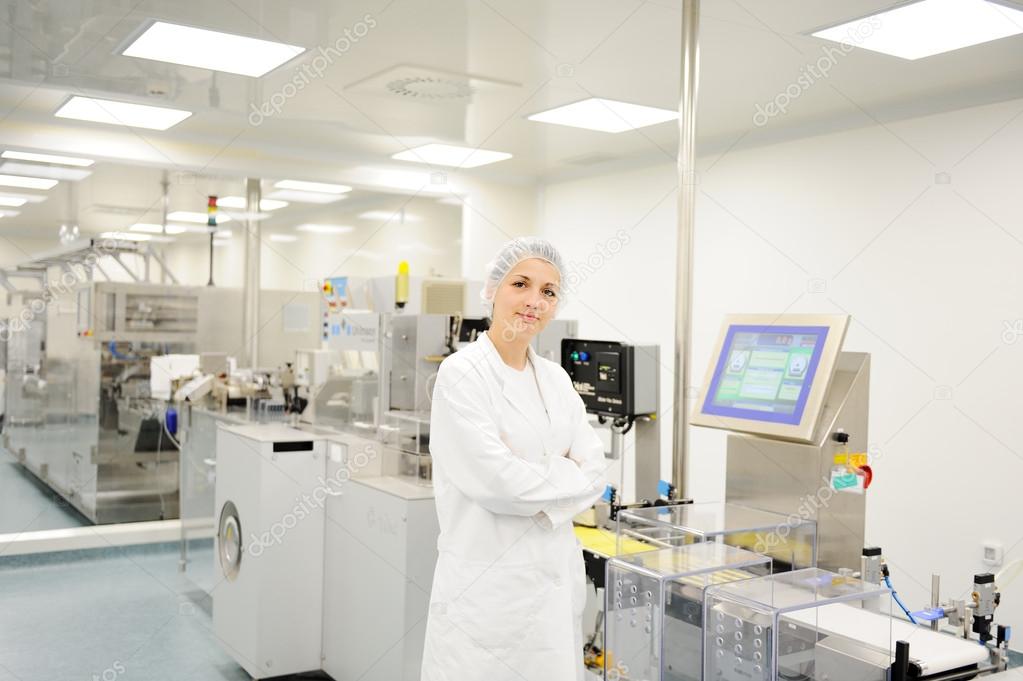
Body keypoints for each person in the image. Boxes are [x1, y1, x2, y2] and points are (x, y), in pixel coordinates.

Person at [420, 238, 607, 681]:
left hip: (553, 595)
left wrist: (540, 477)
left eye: (548, 291)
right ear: (492, 290)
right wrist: (566, 475)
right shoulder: (462, 374)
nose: (534, 301)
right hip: (488, 598)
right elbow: (500, 484)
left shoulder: (557, 378)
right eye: (521, 283)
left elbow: (595, 470)